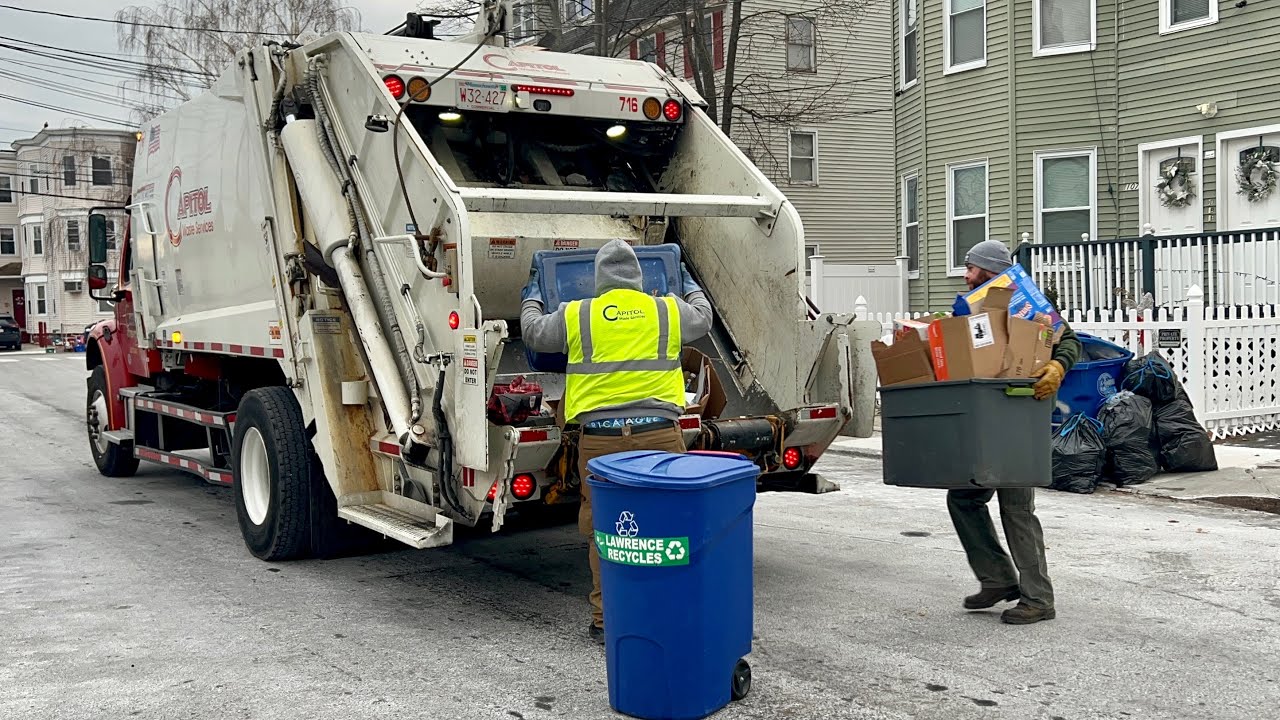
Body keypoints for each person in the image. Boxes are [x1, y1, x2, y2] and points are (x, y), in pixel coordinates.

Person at [521, 239, 713, 643]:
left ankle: (606, 622)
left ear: (599, 278)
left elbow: (534, 335)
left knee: (606, 531)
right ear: (639, 277)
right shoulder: (666, 309)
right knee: (666, 526)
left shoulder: (579, 314)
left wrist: (533, 294)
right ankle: (667, 611)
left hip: (601, 443)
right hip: (659, 437)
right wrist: (688, 280)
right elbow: (704, 318)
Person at [948, 239, 1081, 625]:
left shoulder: (1031, 306)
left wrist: (1057, 367)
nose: (966, 274)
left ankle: (1039, 598)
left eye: (971, 268)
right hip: (986, 421)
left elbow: (1069, 342)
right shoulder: (974, 309)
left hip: (1019, 418)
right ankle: (998, 579)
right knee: (963, 498)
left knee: (1017, 508)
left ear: (989, 271)